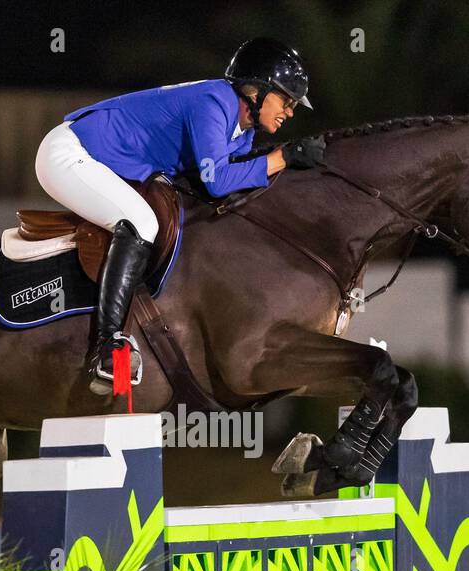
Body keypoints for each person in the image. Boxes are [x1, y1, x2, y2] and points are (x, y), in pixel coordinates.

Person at [35, 37, 327, 395]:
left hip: (101, 161)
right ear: (257, 90)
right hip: (69, 154)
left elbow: (230, 181)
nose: (290, 112)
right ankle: (109, 346)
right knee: (140, 223)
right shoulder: (213, 103)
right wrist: (283, 158)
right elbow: (217, 182)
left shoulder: (242, 131)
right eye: (287, 100)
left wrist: (285, 162)